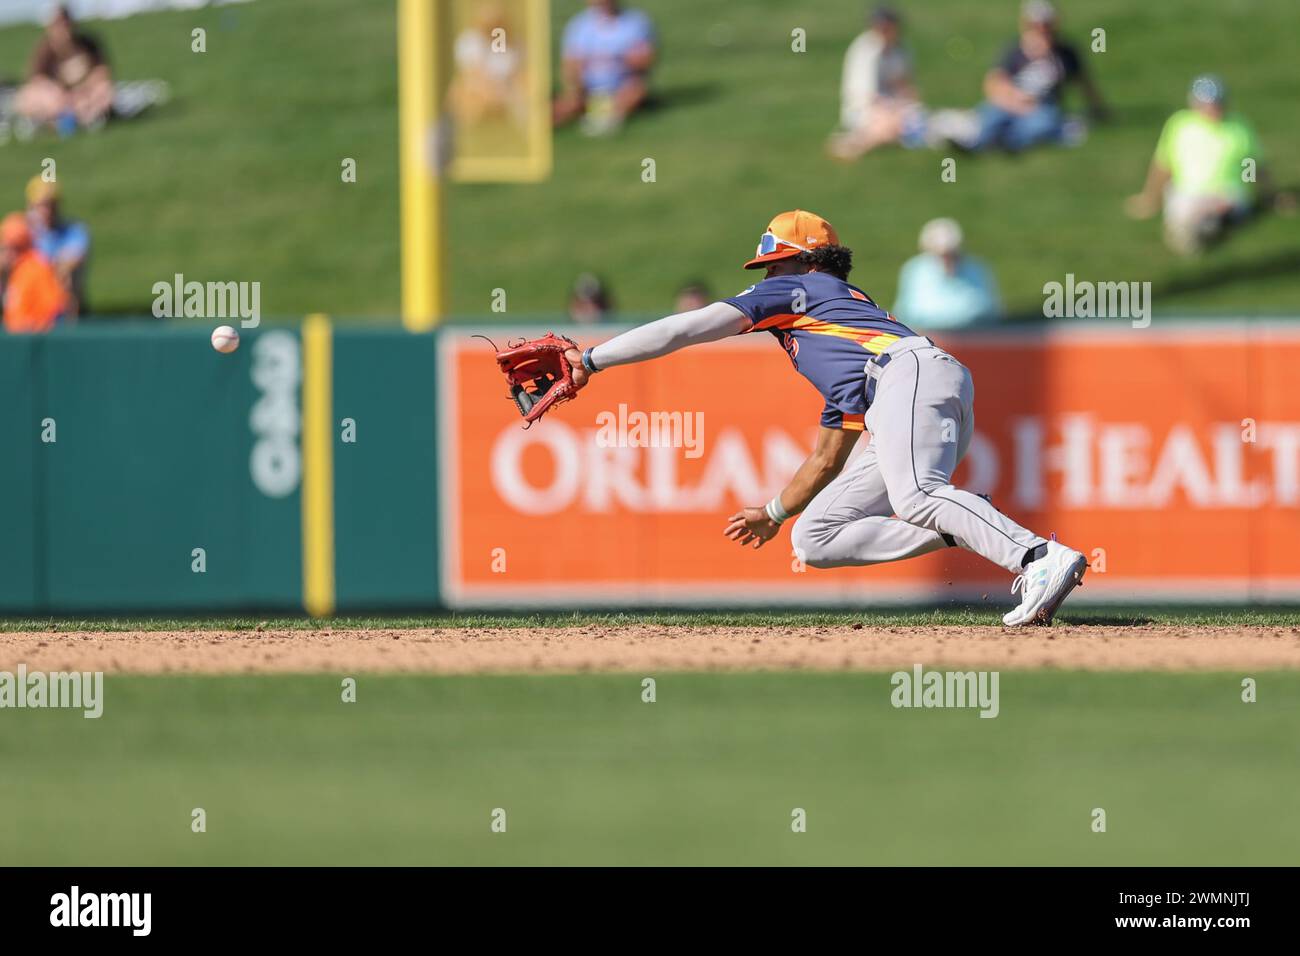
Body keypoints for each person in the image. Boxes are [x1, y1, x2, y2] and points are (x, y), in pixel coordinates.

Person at [561, 210, 1087, 626]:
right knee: (815, 536)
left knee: (918, 495)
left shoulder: (799, 290)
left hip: (908, 376)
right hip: (905, 386)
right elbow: (828, 456)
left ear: (806, 261)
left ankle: (1038, 555)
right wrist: (774, 511)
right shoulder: (835, 327)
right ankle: (966, 524)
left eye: (774, 263)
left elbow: (687, 328)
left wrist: (590, 360)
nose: (765, 276)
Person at [1125, 74, 1293, 254]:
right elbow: (1163, 165)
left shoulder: (1239, 126)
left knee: (1221, 211)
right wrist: (1150, 199)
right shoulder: (1179, 124)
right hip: (1188, 193)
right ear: (1194, 104)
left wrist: (1270, 196)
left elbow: (1255, 166)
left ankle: (1205, 227)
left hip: (1228, 192)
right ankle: (1200, 229)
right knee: (1184, 211)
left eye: (1217, 103)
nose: (1213, 109)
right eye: (1207, 104)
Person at [955, 0, 1106, 153]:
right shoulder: (1014, 50)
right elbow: (993, 82)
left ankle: (1008, 144)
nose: (1041, 28)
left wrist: (1098, 109)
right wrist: (1015, 100)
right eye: (1036, 24)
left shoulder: (1065, 52)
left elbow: (1084, 83)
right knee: (990, 118)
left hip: (1044, 107)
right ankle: (974, 146)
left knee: (1042, 125)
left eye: (1045, 24)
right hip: (1010, 101)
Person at [827, 5, 922, 160]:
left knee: (914, 120)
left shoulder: (902, 49)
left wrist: (905, 101)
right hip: (865, 108)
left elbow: (904, 84)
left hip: (894, 105)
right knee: (890, 127)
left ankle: (859, 142)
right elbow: (865, 95)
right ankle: (858, 143)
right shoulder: (865, 51)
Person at [553, 0, 656, 136]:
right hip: (588, 89)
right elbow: (570, 65)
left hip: (622, 87)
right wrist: (576, 89)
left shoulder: (636, 22)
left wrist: (616, 61)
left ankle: (604, 118)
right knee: (565, 104)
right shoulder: (579, 25)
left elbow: (644, 61)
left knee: (635, 91)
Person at [15, 6, 114, 133]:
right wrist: (58, 92)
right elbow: (36, 78)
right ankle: (62, 120)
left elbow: (101, 71)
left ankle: (80, 117)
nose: (63, 28)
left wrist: (83, 88)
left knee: (105, 90)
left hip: (84, 94)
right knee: (27, 97)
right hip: (57, 97)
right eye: (58, 24)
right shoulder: (45, 49)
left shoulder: (87, 44)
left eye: (65, 22)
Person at [893, 218, 1001, 329]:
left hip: (973, 336)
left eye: (951, 253)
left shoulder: (977, 268)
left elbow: (989, 308)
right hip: (928, 336)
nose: (947, 259)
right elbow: (910, 311)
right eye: (941, 254)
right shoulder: (915, 269)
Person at [26, 176, 90, 316]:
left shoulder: (74, 231)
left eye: (51, 205)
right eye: (42, 205)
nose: (47, 210)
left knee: (67, 276)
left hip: (62, 299)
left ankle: (68, 325)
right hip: (29, 299)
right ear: (31, 206)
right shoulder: (24, 234)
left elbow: (71, 262)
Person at [2, 212, 67, 334]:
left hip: (33, 345)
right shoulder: (16, 271)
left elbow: (55, 312)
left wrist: (30, 328)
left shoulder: (36, 269)